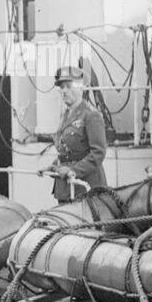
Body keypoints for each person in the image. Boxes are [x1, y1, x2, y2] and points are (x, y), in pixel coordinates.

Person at [50, 66, 107, 203]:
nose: (64, 91)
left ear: (81, 88)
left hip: (85, 188)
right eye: (61, 87)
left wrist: (73, 171)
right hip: (66, 187)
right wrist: (53, 166)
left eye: (68, 86)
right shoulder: (66, 114)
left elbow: (98, 153)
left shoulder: (91, 115)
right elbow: (66, 150)